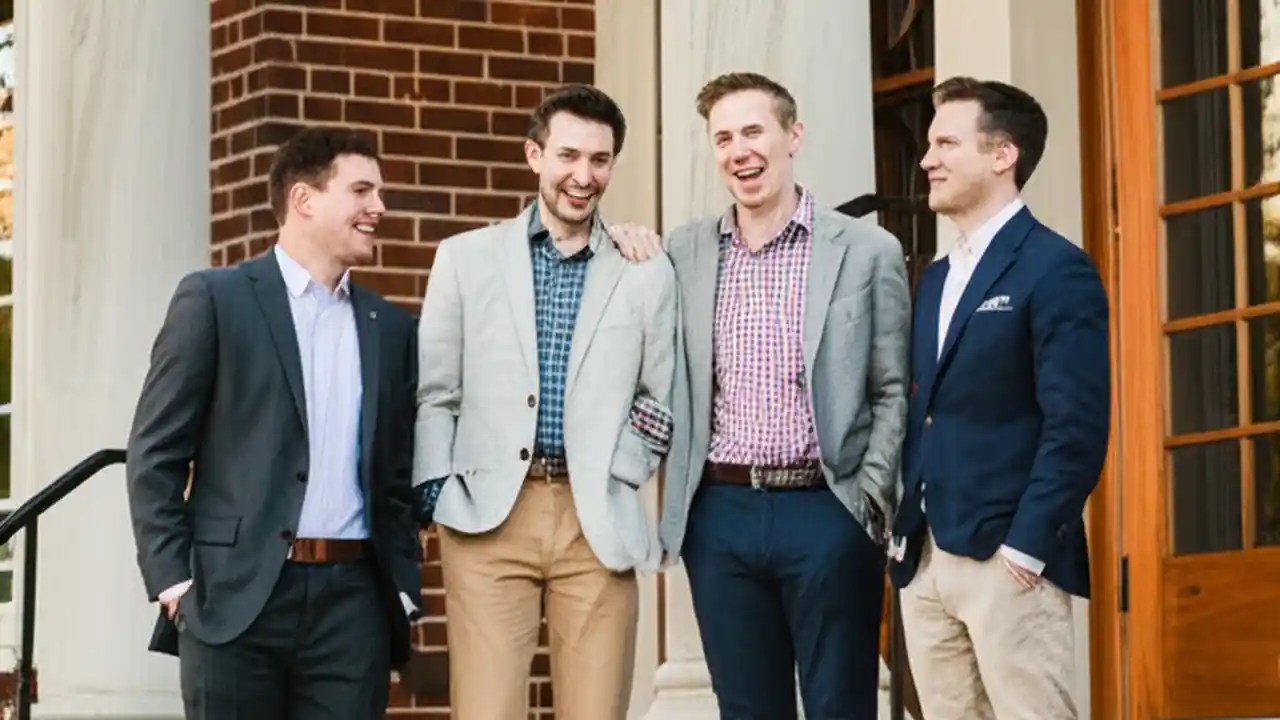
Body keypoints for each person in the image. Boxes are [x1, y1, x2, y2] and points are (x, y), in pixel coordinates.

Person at [614, 71, 911, 719]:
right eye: (723, 137)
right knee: (746, 708)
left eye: (753, 131)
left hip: (828, 507)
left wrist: (868, 500)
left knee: (842, 704)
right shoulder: (685, 250)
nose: (738, 150)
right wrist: (629, 245)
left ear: (792, 136)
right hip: (719, 515)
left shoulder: (866, 251)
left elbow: (892, 389)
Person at [126, 127, 421, 719]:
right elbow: (154, 453)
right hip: (232, 601)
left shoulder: (389, 329)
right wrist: (174, 583)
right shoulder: (215, 300)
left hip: (353, 608)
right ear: (304, 199)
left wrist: (402, 589)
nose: (379, 208)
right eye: (361, 190)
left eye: (379, 193)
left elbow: (395, 477)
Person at [412, 84, 677, 720]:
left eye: (600, 160)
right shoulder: (463, 259)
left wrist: (619, 474)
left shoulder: (645, 268)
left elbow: (658, 400)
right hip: (486, 519)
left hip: (598, 523)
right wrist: (435, 490)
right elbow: (435, 392)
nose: (583, 176)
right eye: (568, 156)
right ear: (535, 155)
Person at [887, 76, 1110, 719]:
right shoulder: (934, 279)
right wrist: (907, 535)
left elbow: (1077, 424)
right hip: (927, 559)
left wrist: (1029, 544)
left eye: (946, 143)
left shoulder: (1055, 267)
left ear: (1002, 154)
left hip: (1010, 563)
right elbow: (924, 410)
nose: (927, 159)